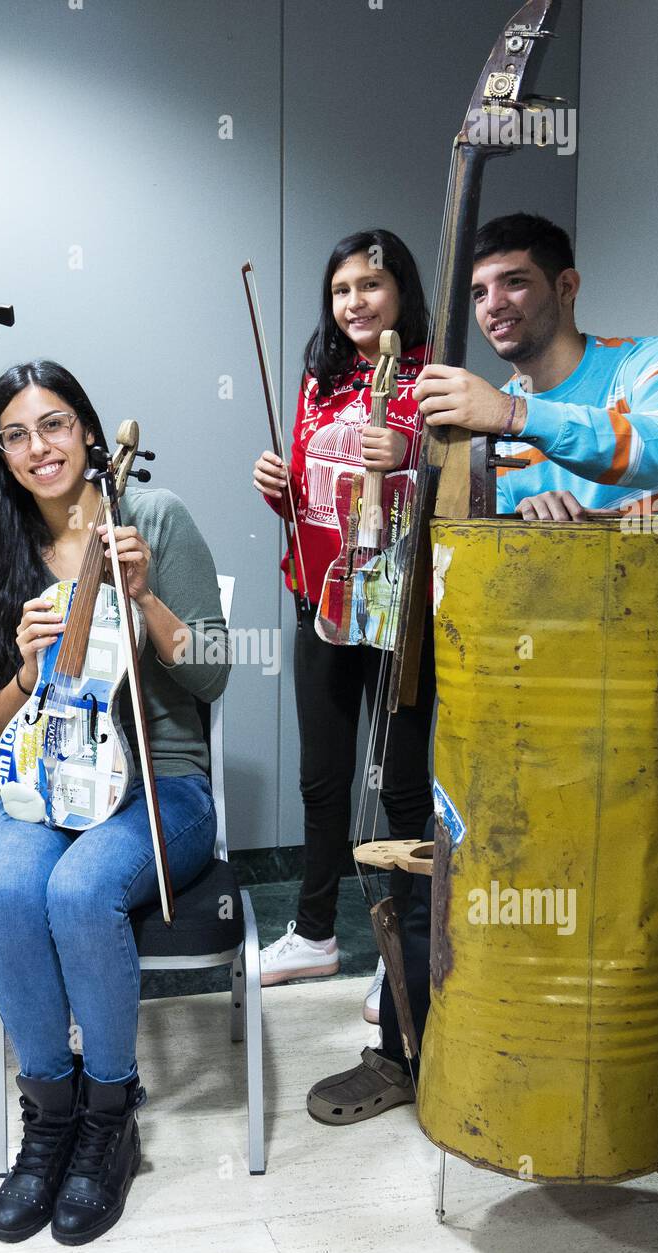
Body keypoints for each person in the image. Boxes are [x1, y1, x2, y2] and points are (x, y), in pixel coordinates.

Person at [310, 213, 658, 1183]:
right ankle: (455, 1047)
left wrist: (513, 423)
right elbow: (472, 565)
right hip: (540, 689)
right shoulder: (485, 430)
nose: (493, 306)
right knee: (478, 848)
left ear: (567, 285)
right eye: (477, 292)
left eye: (513, 282)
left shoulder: (645, 365)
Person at [0, 359, 229, 1245]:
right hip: (51, 780)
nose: (39, 448)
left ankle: (111, 1118)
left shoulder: (152, 518)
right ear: (1, 456)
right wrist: (29, 670)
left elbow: (213, 669)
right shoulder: (0, 549)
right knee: (5, 888)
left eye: (55, 425)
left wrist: (146, 596)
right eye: (16, 435)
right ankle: (51, 1116)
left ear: (86, 430)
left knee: (78, 892)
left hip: (162, 786)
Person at [251, 230, 434, 1019]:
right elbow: (312, 499)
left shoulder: (432, 378)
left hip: (402, 612)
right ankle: (316, 932)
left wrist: (415, 456)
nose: (354, 302)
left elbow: (466, 493)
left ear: (401, 293)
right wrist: (277, 489)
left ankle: (406, 947)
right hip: (321, 598)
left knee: (401, 788)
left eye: (370, 285)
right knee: (322, 780)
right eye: (340, 290)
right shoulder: (318, 379)